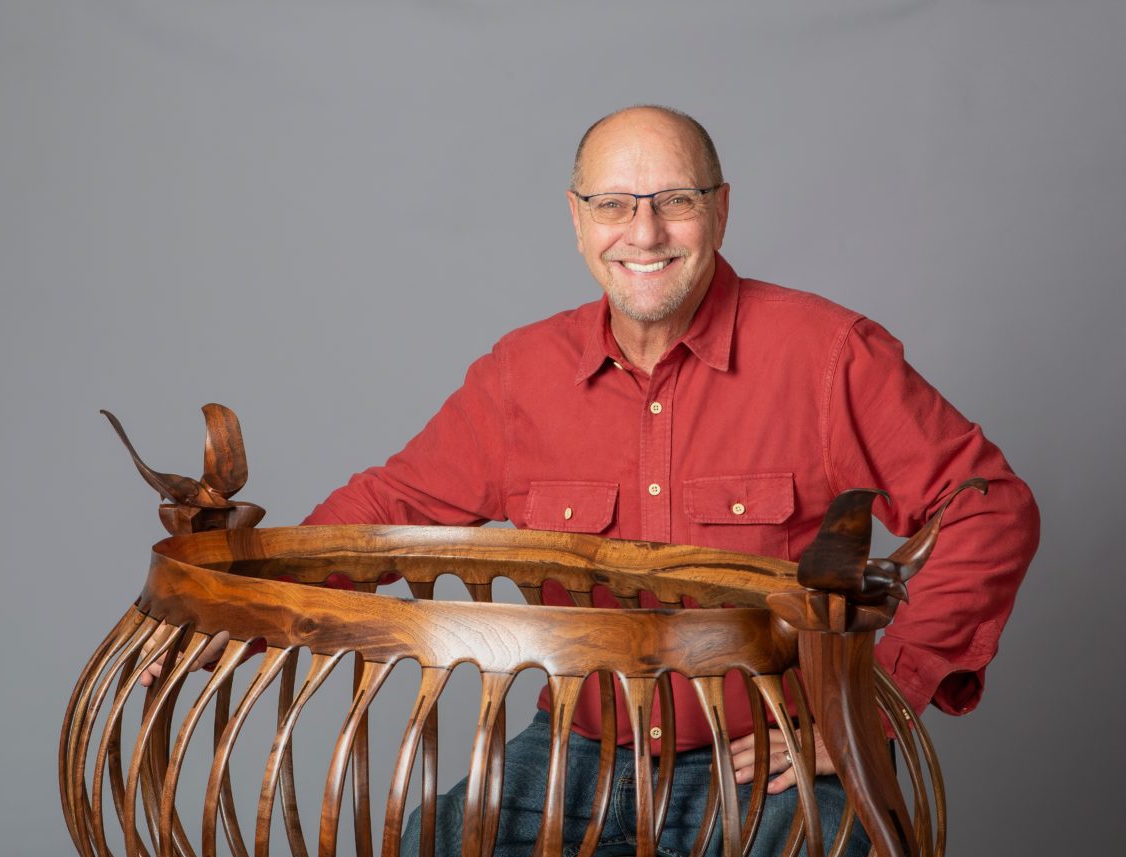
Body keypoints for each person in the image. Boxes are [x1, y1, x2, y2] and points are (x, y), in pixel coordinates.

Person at [304, 106, 1041, 855]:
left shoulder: (827, 355)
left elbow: (990, 507)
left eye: (675, 201)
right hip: (574, 751)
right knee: (426, 840)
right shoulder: (518, 376)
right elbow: (381, 508)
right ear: (577, 219)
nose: (645, 233)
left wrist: (869, 708)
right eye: (612, 205)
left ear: (721, 210)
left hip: (770, 760)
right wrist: (239, 587)